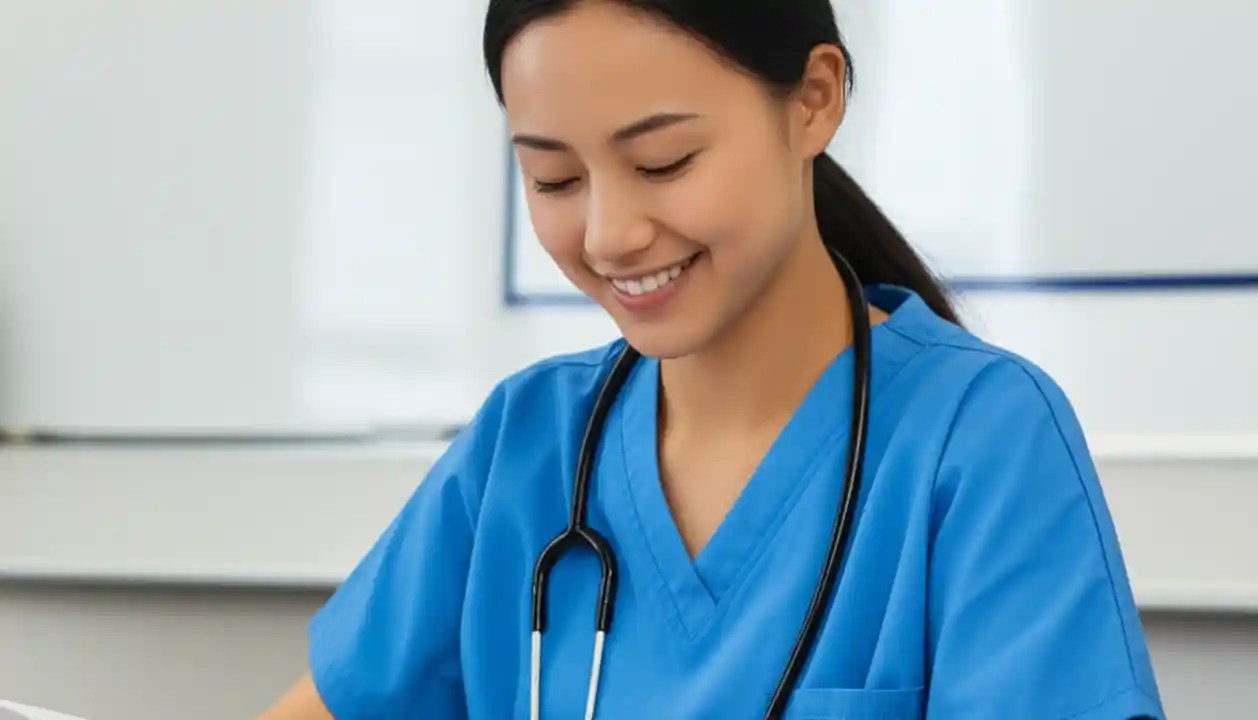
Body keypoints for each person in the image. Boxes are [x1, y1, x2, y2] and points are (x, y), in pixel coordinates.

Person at [261, 1, 1165, 718]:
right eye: (555, 180)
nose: (611, 235)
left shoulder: (977, 442)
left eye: (664, 161)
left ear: (813, 100)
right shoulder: (523, 446)